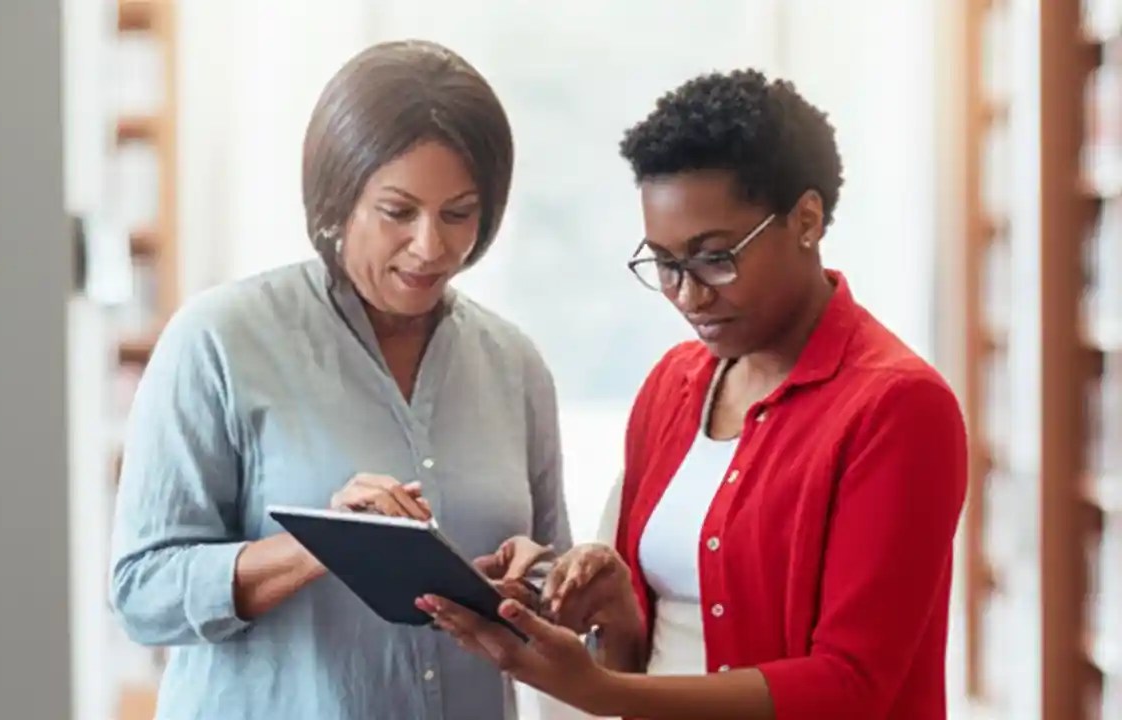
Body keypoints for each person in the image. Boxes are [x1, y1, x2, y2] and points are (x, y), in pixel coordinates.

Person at [420, 69, 967, 720]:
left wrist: (598, 691)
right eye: (665, 263)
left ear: (807, 220)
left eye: (715, 257)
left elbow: (851, 685)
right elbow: (638, 655)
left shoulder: (897, 407)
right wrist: (607, 607)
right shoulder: (674, 386)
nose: (688, 295)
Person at [109, 39, 570, 720]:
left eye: (458, 213)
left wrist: (535, 588)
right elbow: (142, 593)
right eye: (398, 211)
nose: (431, 246)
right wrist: (321, 544)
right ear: (338, 198)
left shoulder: (514, 364)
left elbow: (556, 588)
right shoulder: (220, 340)